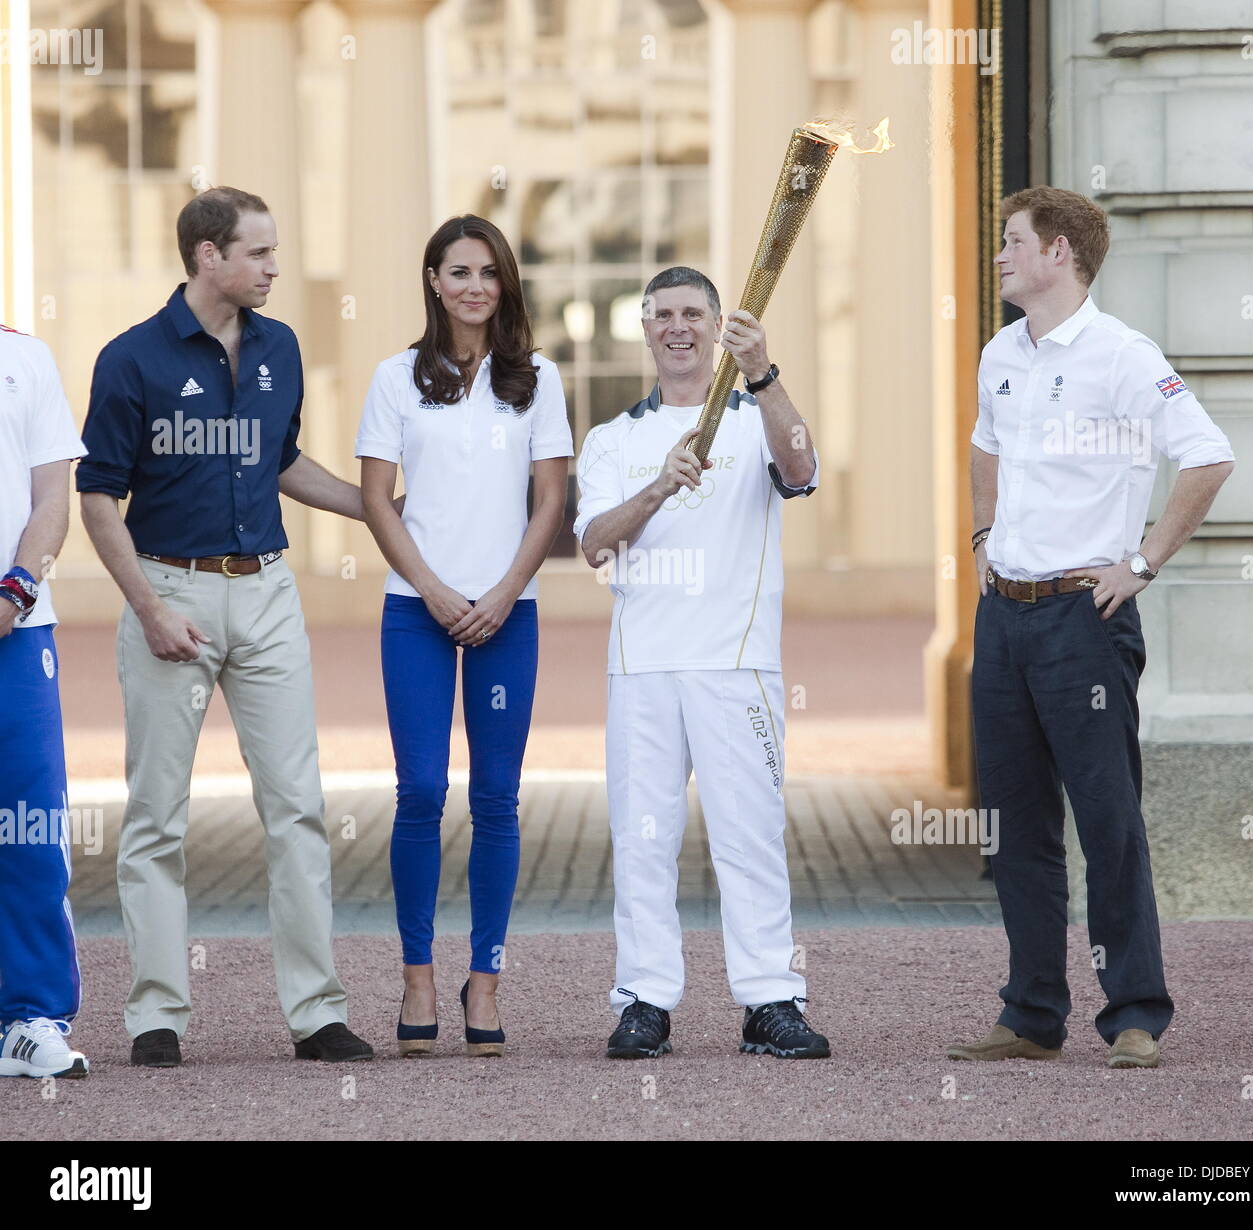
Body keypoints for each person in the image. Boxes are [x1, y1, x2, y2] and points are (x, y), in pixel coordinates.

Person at [78, 187, 376, 1066]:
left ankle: (317, 1013)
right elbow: (99, 496)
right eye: (260, 254)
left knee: (298, 808)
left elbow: (280, 461)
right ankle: (157, 1018)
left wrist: (376, 512)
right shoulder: (130, 359)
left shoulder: (279, 346)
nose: (275, 268)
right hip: (170, 588)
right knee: (156, 818)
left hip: (270, 592)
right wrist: (150, 609)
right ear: (208, 255)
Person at [947, 186, 1234, 1070]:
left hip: (1085, 619)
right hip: (1005, 617)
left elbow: (1210, 453)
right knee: (1016, 829)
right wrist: (986, 536)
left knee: (1107, 820)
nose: (1000, 254)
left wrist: (1142, 563)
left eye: (1012, 241)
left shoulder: (1122, 354)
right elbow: (984, 445)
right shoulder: (1001, 352)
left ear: (1060, 252)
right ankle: (1032, 1014)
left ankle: (1136, 1013)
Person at [574, 265, 829, 1060]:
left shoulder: (755, 420)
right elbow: (593, 545)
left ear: (717, 324)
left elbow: (802, 468)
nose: (677, 327)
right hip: (642, 666)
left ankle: (769, 998)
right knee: (643, 838)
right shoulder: (613, 440)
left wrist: (763, 372)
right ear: (645, 329)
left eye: (694, 314)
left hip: (736, 662)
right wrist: (657, 488)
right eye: (663, 315)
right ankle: (646, 998)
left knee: (748, 835)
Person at [356, 215, 571, 1057]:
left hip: (505, 614)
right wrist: (438, 590)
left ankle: (484, 980)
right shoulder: (394, 377)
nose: (474, 285)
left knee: (496, 800)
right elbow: (378, 497)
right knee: (418, 792)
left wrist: (502, 592)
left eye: (488, 271)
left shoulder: (538, 379)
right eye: (458, 271)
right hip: (416, 609)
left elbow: (550, 500)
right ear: (434, 282)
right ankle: (416, 974)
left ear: (504, 282)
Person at [0, 323, 90, 1079]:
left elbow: (53, 497)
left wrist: (15, 590)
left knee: (28, 827)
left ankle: (31, 1016)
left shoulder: (25, 357)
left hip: (18, 632)